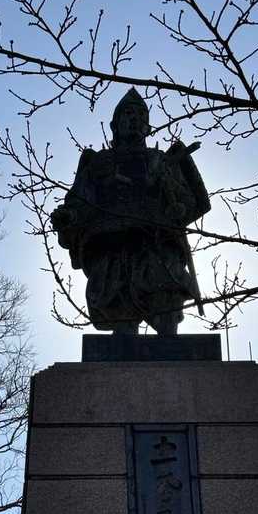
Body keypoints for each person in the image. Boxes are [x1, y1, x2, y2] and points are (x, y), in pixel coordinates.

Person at [51, 88, 210, 335]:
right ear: (115, 125)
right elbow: (80, 203)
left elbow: (188, 202)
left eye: (141, 115)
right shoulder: (98, 163)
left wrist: (176, 203)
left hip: (157, 241)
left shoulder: (161, 160)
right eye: (128, 113)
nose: (135, 119)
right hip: (111, 245)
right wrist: (68, 217)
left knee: (166, 307)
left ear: (148, 127)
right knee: (120, 315)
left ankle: (171, 347)